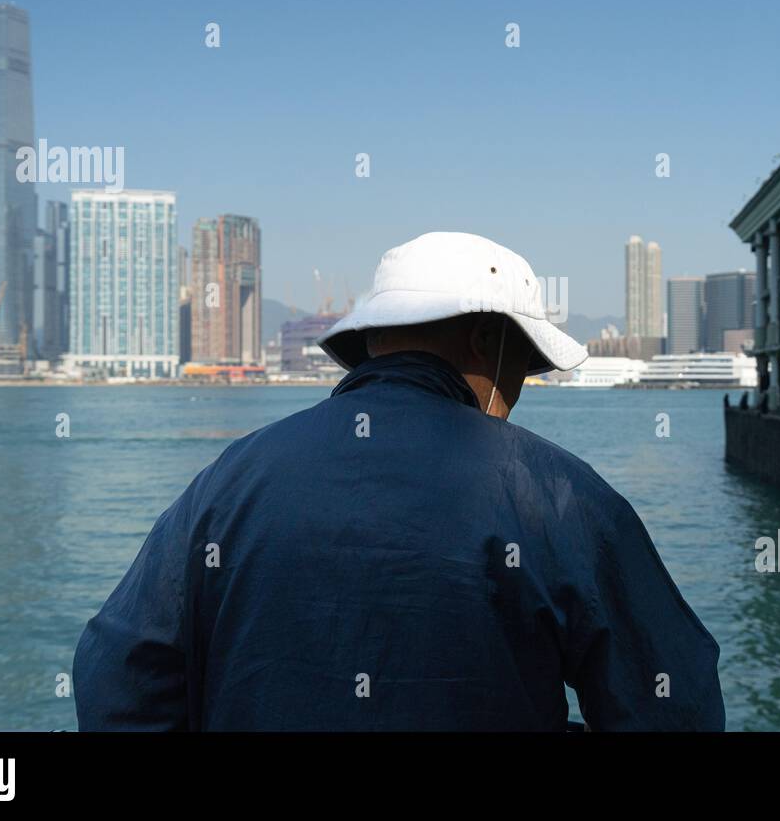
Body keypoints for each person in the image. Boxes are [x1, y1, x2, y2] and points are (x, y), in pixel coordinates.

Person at [73, 231, 724, 730]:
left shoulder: (226, 483)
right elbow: (675, 702)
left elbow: (117, 679)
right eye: (524, 363)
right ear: (485, 339)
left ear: (371, 340)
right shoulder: (556, 494)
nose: (521, 389)